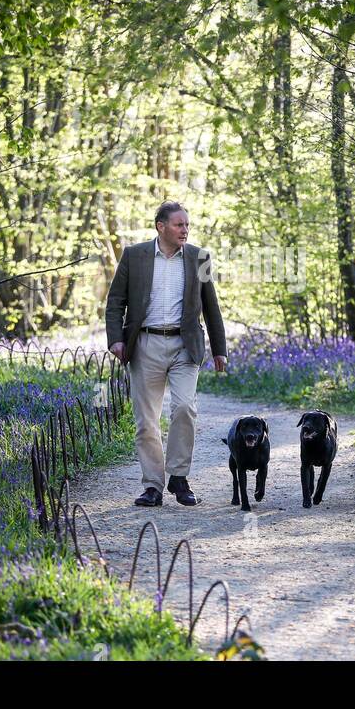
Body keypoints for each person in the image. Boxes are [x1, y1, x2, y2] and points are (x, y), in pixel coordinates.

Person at [104, 202, 227, 506]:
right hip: (145, 344)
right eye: (178, 225)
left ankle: (179, 477)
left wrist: (219, 349)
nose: (185, 230)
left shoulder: (200, 257)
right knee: (146, 421)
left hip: (185, 346)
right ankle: (152, 486)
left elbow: (211, 307)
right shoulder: (135, 256)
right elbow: (115, 300)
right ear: (161, 226)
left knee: (185, 408)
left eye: (187, 225)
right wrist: (115, 339)